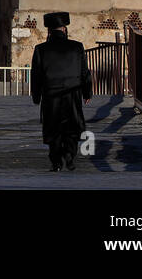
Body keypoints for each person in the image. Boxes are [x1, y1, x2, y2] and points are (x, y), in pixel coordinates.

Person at [30, 11, 92, 171]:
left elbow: (36, 75)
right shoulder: (77, 47)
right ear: (64, 29)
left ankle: (56, 162)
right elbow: (84, 72)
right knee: (71, 128)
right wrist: (87, 92)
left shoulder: (40, 49)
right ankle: (70, 157)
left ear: (49, 31)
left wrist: (36, 96)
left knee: (53, 129)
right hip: (72, 94)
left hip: (51, 95)